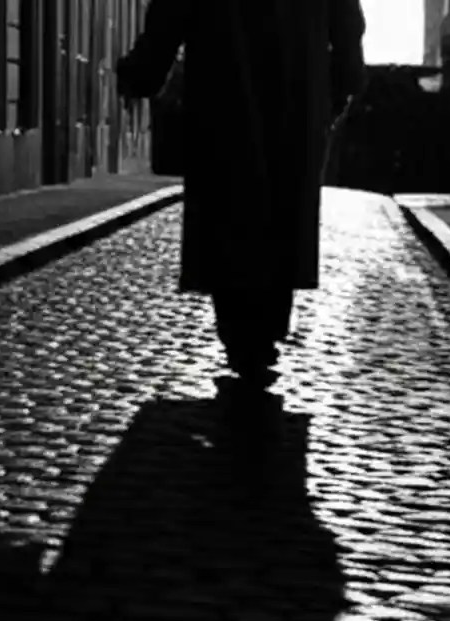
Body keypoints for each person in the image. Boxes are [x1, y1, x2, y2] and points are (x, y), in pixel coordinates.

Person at [116, 0, 368, 389]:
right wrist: (342, 85)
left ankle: (242, 334)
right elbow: (347, 24)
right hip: (296, 97)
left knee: (230, 211)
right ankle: (263, 328)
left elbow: (169, 15)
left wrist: (142, 72)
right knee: (282, 210)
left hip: (224, 98)